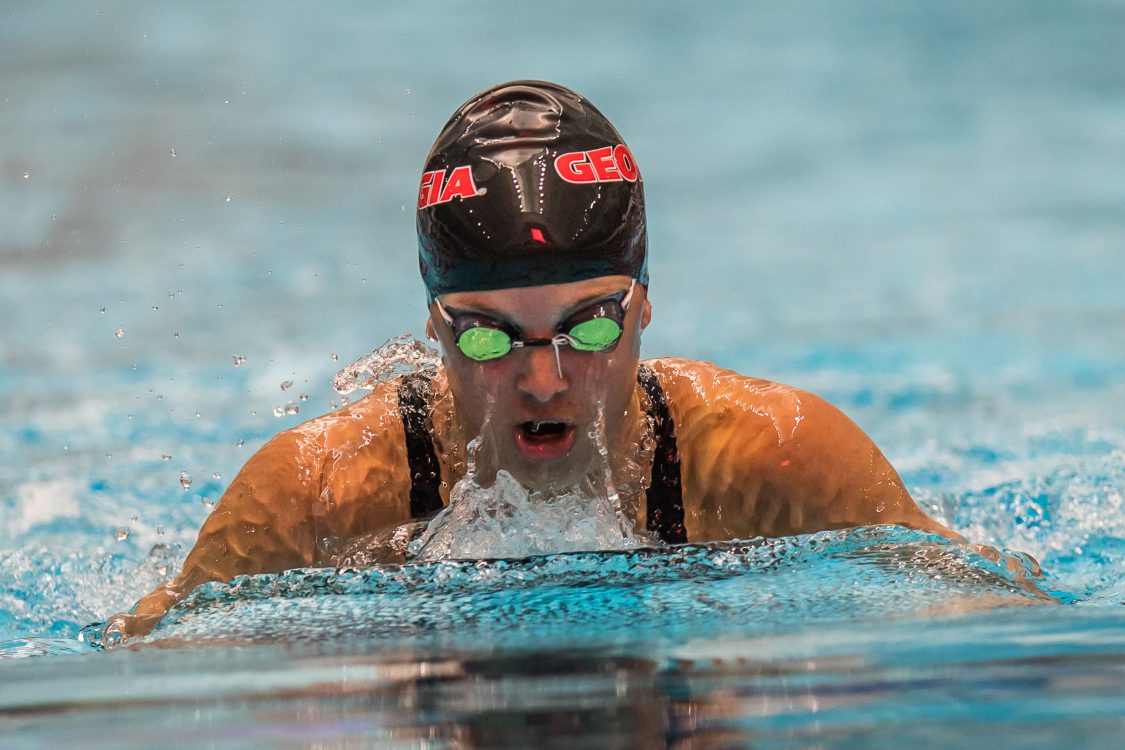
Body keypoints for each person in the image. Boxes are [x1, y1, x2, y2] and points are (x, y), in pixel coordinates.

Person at [106, 80, 987, 642]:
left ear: (643, 306)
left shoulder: (776, 454)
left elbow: (983, 612)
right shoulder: (316, 493)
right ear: (434, 328)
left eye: (588, 328)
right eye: (487, 337)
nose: (542, 379)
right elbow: (144, 660)